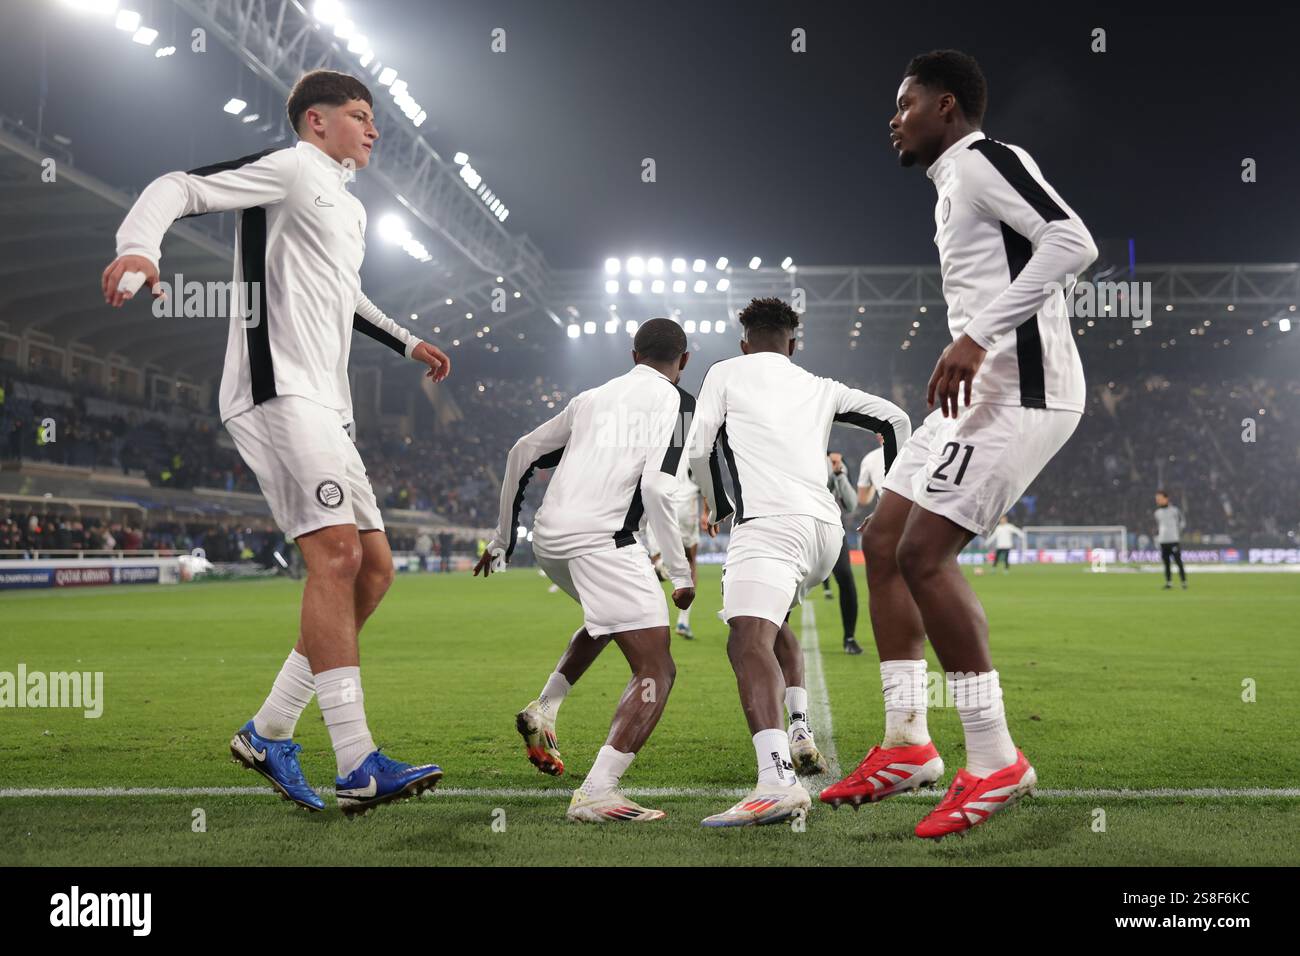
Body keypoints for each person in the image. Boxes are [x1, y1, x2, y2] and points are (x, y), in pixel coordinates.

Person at [103, 69, 451, 815]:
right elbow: (179, 185)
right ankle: (357, 762)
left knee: (375, 571)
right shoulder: (289, 167)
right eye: (359, 115)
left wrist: (409, 342)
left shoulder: (347, 207)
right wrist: (141, 248)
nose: (374, 129)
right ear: (316, 121)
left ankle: (268, 731)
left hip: (330, 404)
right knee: (335, 555)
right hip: (277, 392)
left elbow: (344, 295)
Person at [823, 50, 1097, 839]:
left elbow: (1073, 242)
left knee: (924, 555)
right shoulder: (950, 189)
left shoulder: (983, 162)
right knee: (882, 537)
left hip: (1023, 392)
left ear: (947, 107)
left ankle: (995, 757)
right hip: (975, 397)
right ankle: (909, 743)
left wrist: (977, 335)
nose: (892, 119)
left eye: (904, 104)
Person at [688, 297, 910, 827]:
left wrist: (718, 506)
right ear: (794, 344)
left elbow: (698, 449)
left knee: (746, 641)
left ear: (745, 342)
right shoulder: (821, 385)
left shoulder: (725, 371)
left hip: (769, 525)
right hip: (825, 533)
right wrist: (891, 509)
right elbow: (895, 420)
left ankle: (776, 782)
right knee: (774, 624)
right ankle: (801, 727)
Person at [476, 318, 695, 823]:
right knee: (657, 668)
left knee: (606, 620)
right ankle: (598, 792)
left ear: (633, 353)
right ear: (683, 361)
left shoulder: (592, 398)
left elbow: (521, 453)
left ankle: (545, 708)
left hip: (550, 539)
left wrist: (503, 541)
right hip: (602, 540)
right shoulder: (681, 404)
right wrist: (681, 574)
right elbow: (660, 490)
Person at [824, 452, 862, 654]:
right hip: (802, 527)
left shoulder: (836, 462)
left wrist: (839, 474)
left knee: (846, 579)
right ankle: (777, 637)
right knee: (788, 582)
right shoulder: (801, 455)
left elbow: (851, 504)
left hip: (832, 529)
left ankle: (849, 638)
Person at [1154, 490, 1187, 589]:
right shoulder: (1157, 513)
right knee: (1166, 563)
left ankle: (1183, 582)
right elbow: (1158, 526)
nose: (1158, 501)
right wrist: (1158, 538)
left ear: (1166, 498)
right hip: (1163, 541)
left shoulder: (1175, 510)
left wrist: (1176, 533)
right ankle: (1169, 583)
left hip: (1173, 540)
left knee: (1178, 562)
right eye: (1157, 499)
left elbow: (1182, 522)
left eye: (1159, 499)